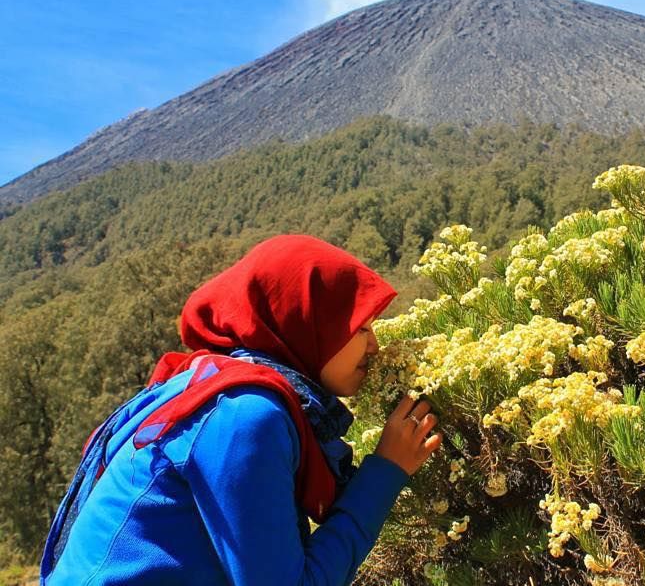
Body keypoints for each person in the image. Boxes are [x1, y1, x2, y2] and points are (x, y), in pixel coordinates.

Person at [40, 235, 441, 585]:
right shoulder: (242, 415)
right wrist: (387, 469)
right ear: (307, 323)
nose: (373, 346)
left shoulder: (223, 388)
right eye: (361, 328)